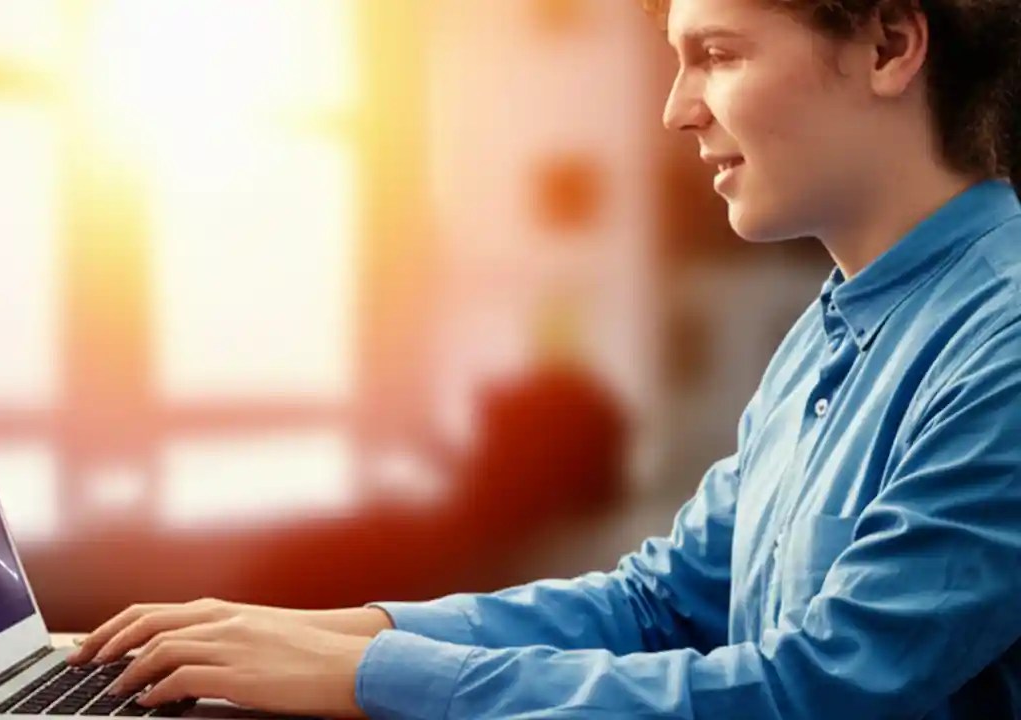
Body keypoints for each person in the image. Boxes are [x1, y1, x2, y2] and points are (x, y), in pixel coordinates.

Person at [66, 0, 1021, 716]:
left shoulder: (1003, 343)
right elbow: (666, 604)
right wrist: (342, 632)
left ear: (891, 46)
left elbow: (815, 694)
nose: (677, 110)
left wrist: (368, 675)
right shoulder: (833, 331)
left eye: (717, 57)